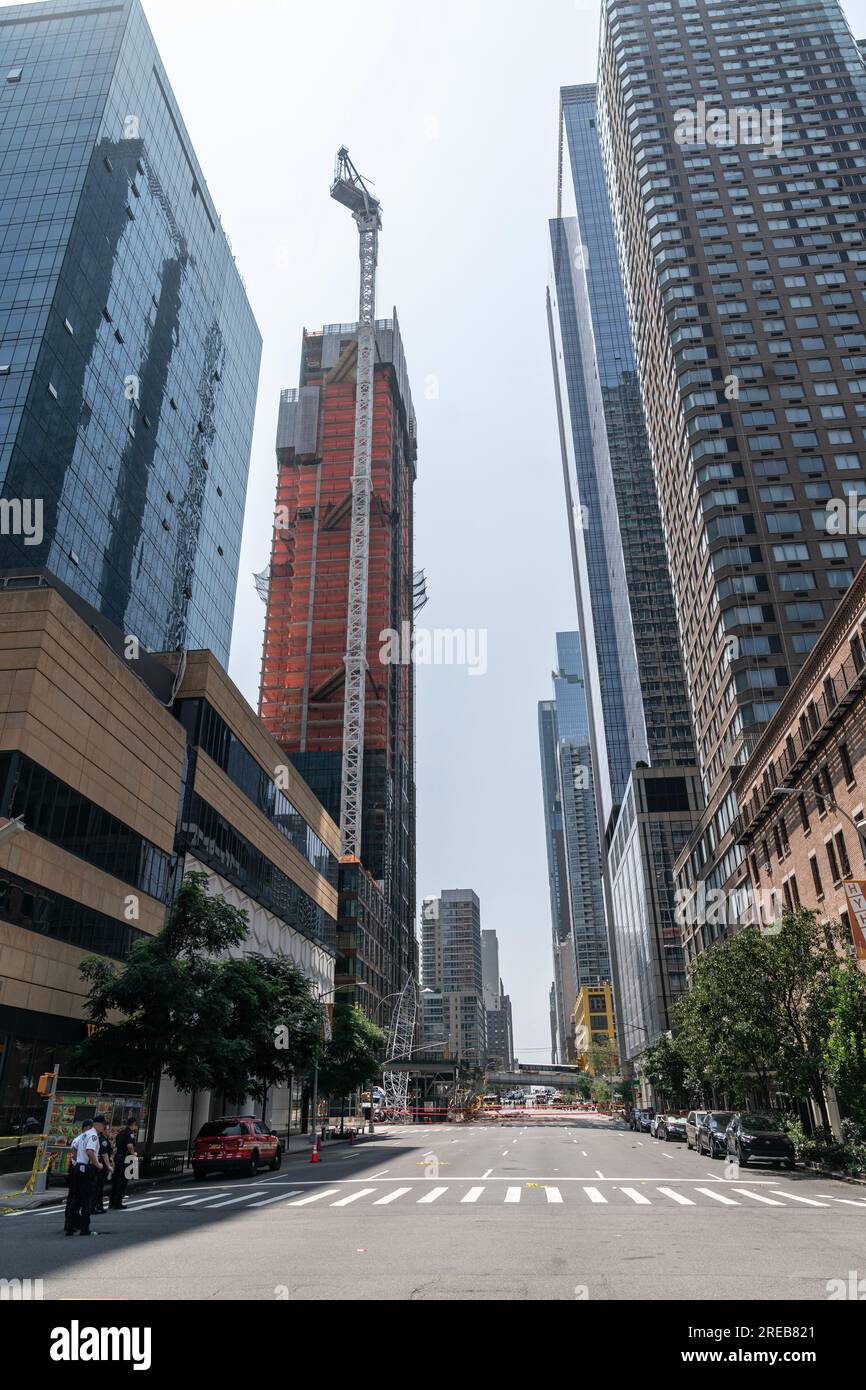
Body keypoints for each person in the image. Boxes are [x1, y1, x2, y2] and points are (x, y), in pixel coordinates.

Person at [65, 1116, 106, 1236]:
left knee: (76, 1199)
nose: (105, 1127)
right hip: (87, 1169)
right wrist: (97, 1164)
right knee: (87, 1200)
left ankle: (70, 1227)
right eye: (104, 1125)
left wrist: (78, 1159)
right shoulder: (93, 1136)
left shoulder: (84, 1134)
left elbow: (74, 1147)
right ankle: (84, 1228)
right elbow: (89, 1151)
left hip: (78, 1168)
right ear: (97, 1124)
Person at [109, 1117, 139, 1210]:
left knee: (116, 1181)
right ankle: (118, 1203)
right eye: (136, 1125)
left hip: (118, 1157)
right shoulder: (130, 1134)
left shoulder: (120, 1133)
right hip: (126, 1159)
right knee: (123, 1182)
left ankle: (112, 1202)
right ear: (133, 1124)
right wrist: (133, 1153)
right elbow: (130, 1146)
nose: (136, 1127)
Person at [91, 1124, 113, 1214]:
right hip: (100, 1167)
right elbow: (104, 1154)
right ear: (103, 1131)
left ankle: (99, 1206)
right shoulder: (102, 1140)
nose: (109, 1131)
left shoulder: (105, 1140)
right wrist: (109, 1166)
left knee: (100, 1188)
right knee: (97, 1188)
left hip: (102, 1167)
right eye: (107, 1129)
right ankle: (94, 1207)